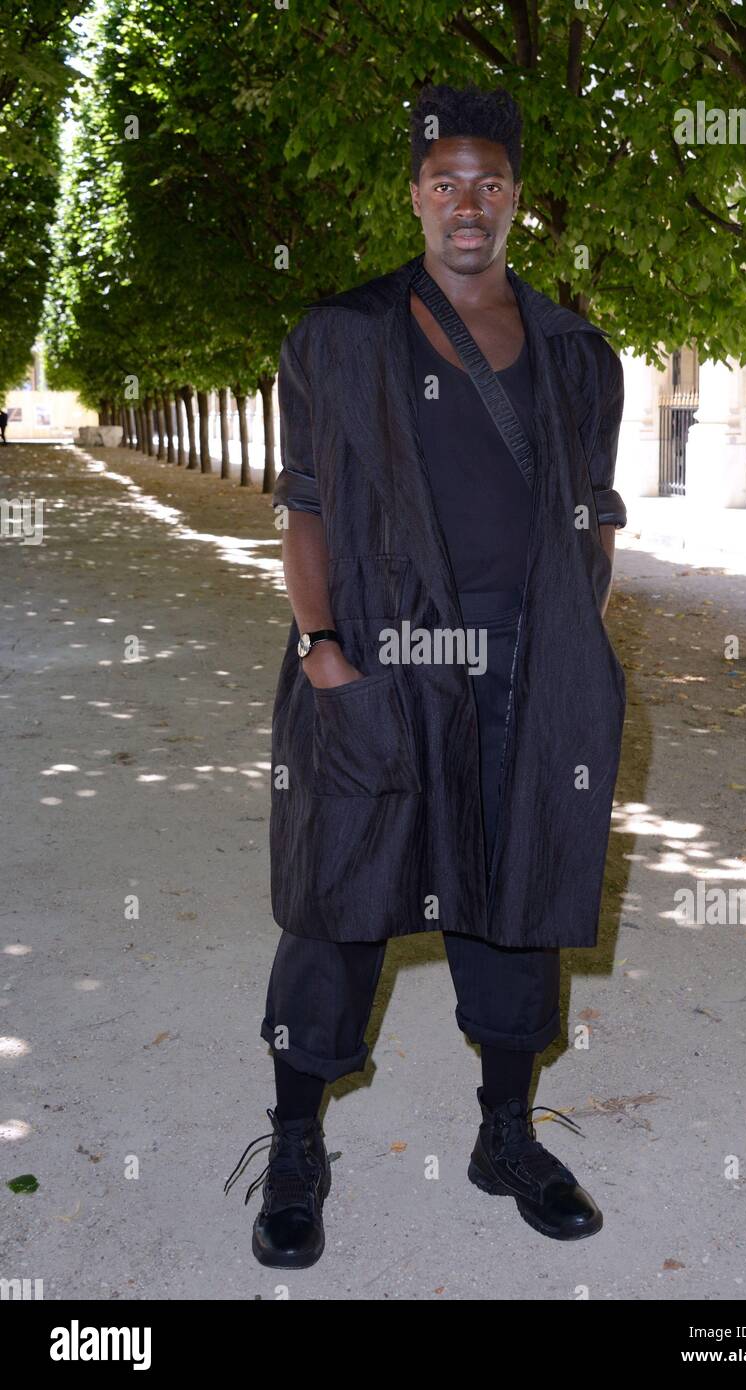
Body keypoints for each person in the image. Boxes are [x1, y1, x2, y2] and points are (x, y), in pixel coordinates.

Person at [224, 84, 628, 1269]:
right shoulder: (341, 336)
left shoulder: (572, 352)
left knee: (515, 901)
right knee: (337, 904)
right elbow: (302, 505)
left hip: (516, 668)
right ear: (413, 195)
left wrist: (565, 638)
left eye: (489, 183)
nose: (467, 202)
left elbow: (595, 513)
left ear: (513, 202)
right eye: (444, 180)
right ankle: (295, 1143)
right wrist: (325, 652)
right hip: (376, 657)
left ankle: (504, 1135)